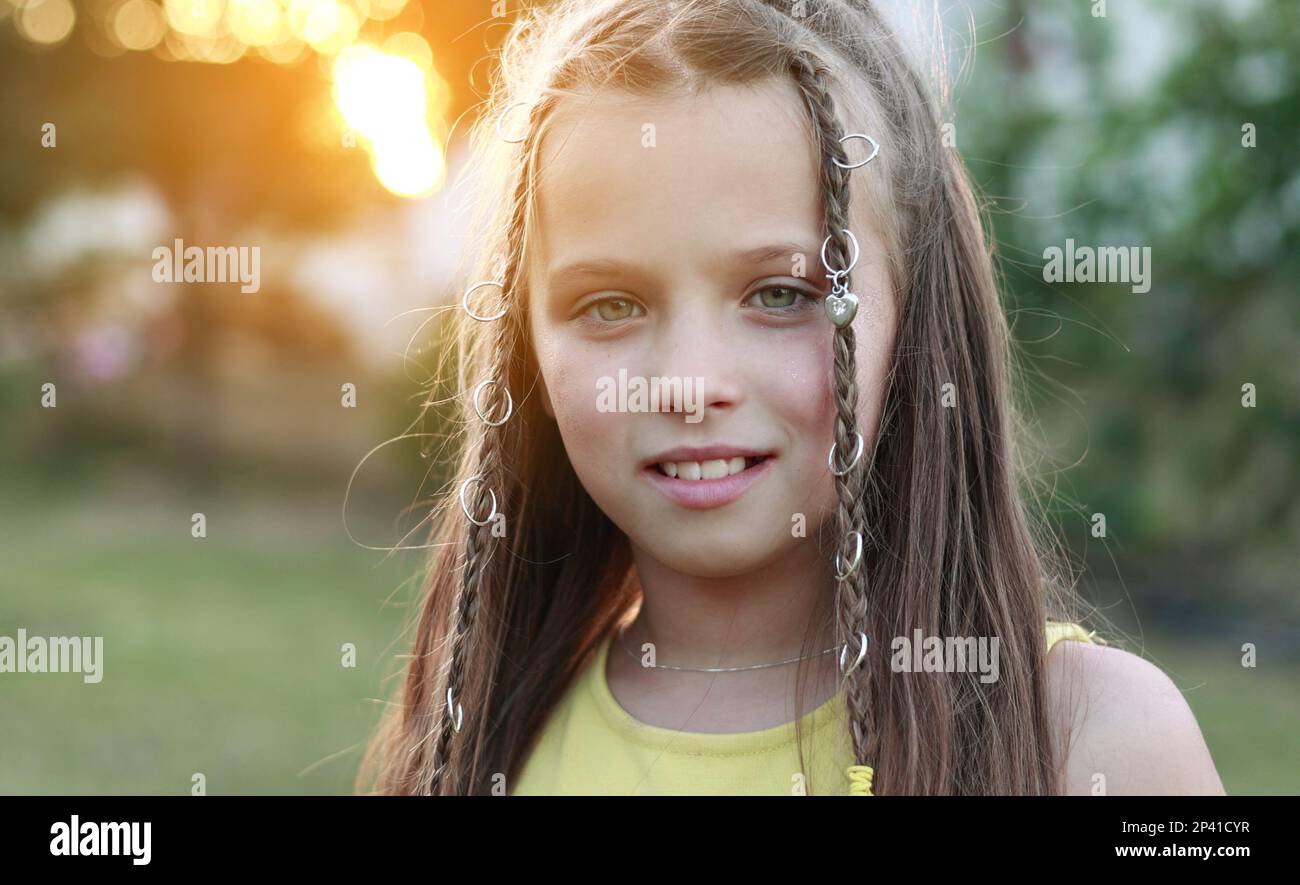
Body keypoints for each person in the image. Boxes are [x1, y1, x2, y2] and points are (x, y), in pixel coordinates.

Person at [358, 0, 1225, 796]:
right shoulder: (476, 746)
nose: (692, 383)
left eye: (781, 294)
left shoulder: (1097, 742)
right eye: (610, 305)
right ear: (528, 354)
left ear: (915, 316)